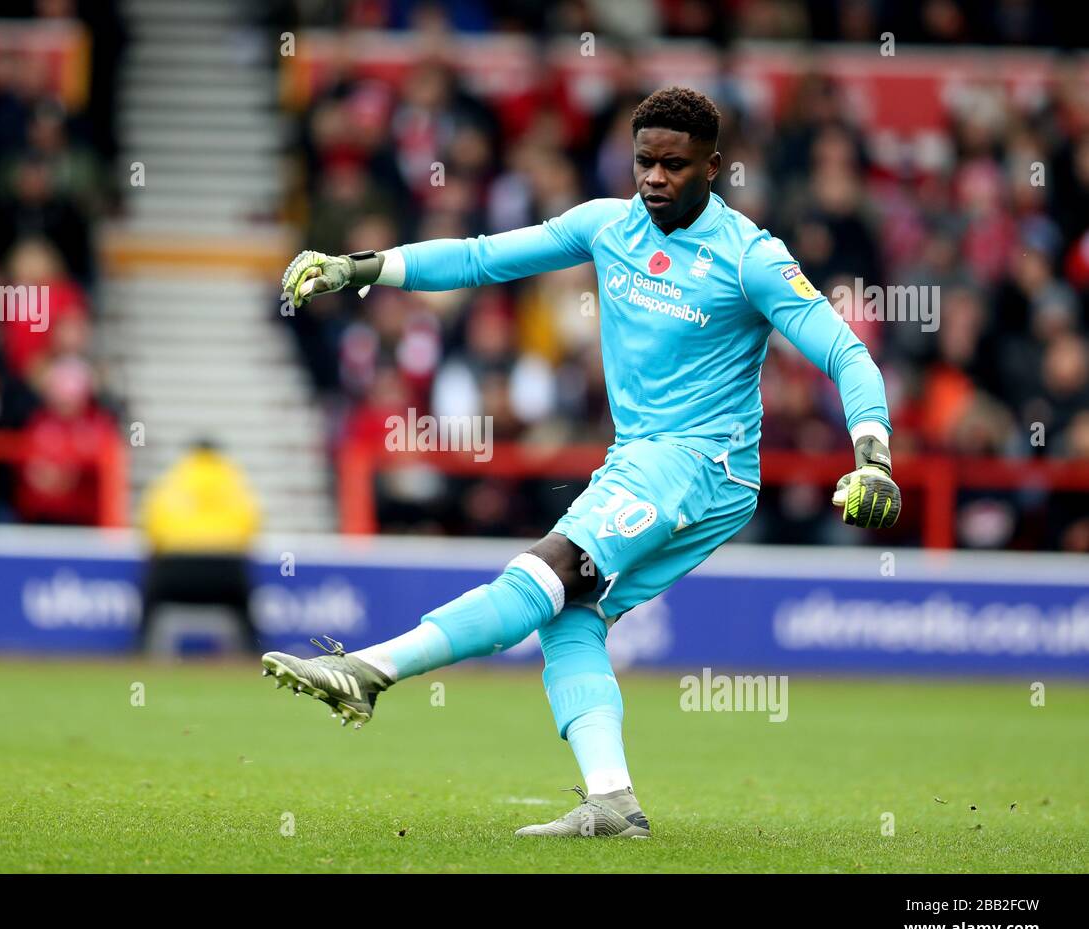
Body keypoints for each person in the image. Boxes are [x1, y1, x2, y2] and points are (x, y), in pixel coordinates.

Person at [266, 87, 900, 838]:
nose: (656, 178)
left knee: (549, 567)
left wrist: (873, 454)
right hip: (648, 461)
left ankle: (372, 669)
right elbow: (479, 258)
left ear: (714, 167)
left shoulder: (750, 257)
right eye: (645, 161)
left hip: (699, 463)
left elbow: (844, 350)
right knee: (571, 615)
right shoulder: (607, 225)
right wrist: (361, 267)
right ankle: (611, 800)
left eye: (675, 164)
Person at [139, 439, 261, 653]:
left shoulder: (173, 478)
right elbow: (250, 526)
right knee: (245, 605)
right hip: (226, 571)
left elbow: (152, 527)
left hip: (175, 570)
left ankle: (139, 650)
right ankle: (254, 654)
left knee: (149, 595)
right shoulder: (233, 481)